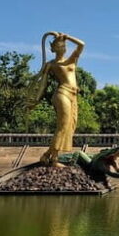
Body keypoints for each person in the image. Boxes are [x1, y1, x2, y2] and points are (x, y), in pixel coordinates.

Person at [32, 31, 85, 166]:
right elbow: (43, 84)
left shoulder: (72, 60)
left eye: (64, 46)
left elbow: (81, 44)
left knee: (70, 126)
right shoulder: (51, 65)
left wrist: (68, 37)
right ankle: (54, 159)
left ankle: (46, 155)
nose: (62, 48)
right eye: (59, 46)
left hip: (74, 96)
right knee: (63, 124)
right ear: (53, 49)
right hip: (62, 94)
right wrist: (36, 99)